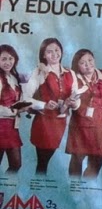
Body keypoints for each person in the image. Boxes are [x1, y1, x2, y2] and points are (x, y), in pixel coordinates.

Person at [65, 48, 102, 179]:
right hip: (80, 125)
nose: (88, 64)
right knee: (77, 158)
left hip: (100, 124)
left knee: (97, 159)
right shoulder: (74, 78)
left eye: (90, 60)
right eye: (82, 62)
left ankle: (87, 189)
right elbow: (69, 100)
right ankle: (74, 188)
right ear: (77, 66)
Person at [28, 37, 72, 176]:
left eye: (57, 50)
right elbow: (26, 98)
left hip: (60, 122)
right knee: (42, 163)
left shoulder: (69, 73)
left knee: (46, 162)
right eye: (49, 51)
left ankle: (39, 187)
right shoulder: (39, 72)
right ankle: (38, 189)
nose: (54, 54)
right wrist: (44, 104)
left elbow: (76, 96)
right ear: (43, 55)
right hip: (43, 124)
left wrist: (70, 102)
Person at [0, 45, 24, 175]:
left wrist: (23, 106)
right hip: (1, 126)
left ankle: (6, 191)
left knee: (16, 164)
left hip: (12, 127)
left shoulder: (14, 78)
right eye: (3, 59)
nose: (8, 62)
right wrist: (13, 111)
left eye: (10, 58)